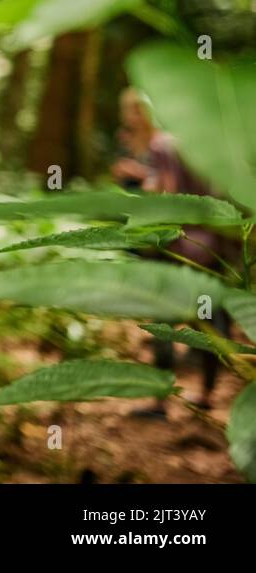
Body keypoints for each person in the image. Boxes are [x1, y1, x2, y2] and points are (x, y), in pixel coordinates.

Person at [113, 87, 233, 414]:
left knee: (163, 322)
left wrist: (134, 179)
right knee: (210, 322)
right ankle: (207, 395)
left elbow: (168, 192)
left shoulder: (161, 145)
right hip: (210, 246)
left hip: (180, 246)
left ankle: (160, 402)